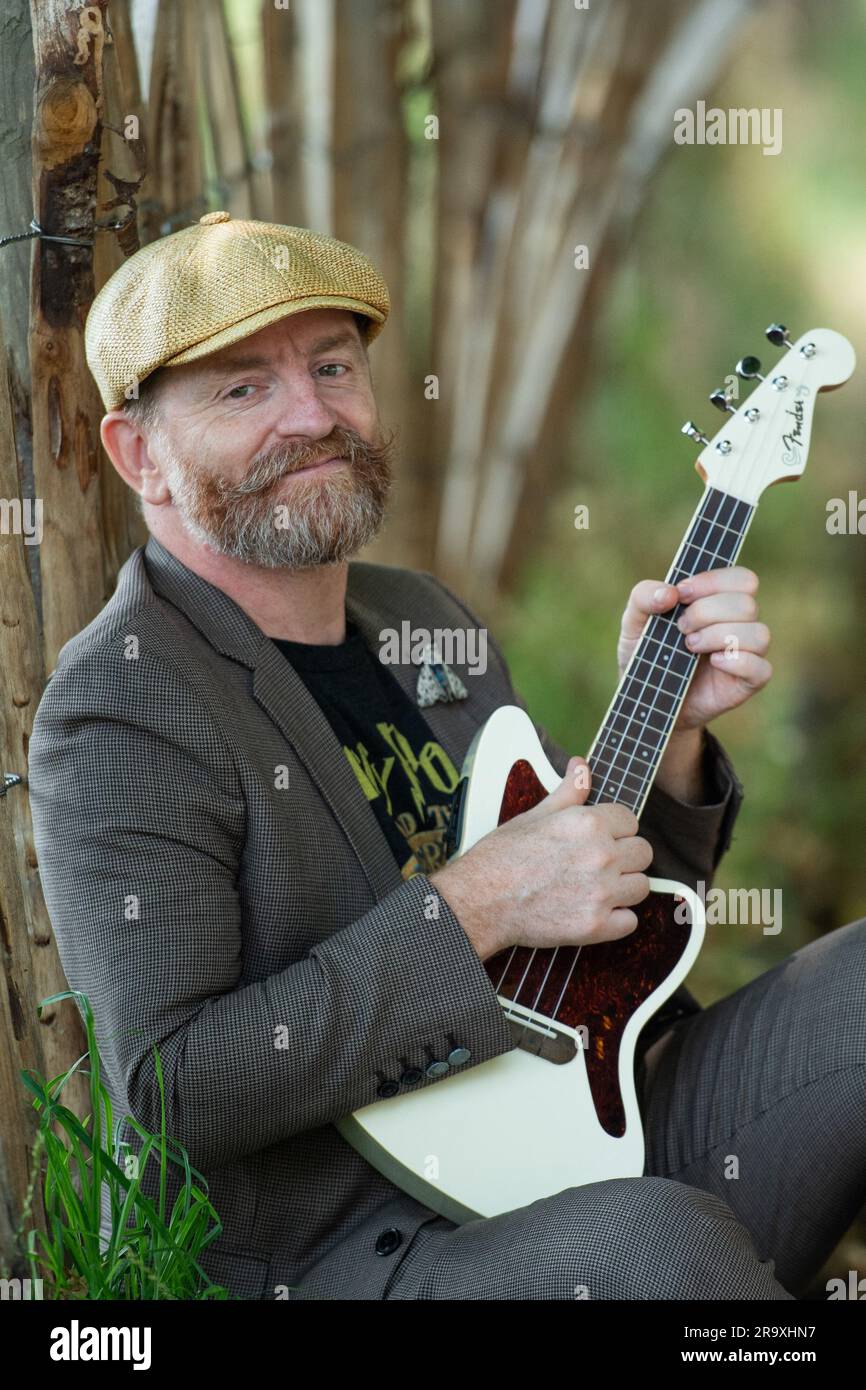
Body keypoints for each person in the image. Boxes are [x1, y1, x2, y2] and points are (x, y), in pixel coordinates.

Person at [27, 213, 864, 1301]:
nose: (313, 416)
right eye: (243, 389)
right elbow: (173, 1088)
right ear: (137, 452)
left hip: (584, 1130)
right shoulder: (121, 704)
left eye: (333, 366)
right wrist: (470, 907)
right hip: (355, 1244)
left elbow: (594, 927)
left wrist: (674, 737)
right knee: (650, 1249)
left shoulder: (420, 621)